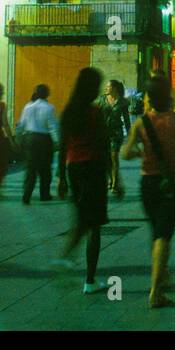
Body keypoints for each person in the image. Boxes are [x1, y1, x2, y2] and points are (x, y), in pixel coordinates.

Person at [120, 75, 175, 308]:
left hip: (147, 184)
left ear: (149, 98)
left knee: (156, 232)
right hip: (170, 182)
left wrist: (140, 154)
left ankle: (162, 273)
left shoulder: (141, 122)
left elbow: (125, 153)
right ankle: (155, 291)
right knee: (164, 235)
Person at [56, 68, 110, 294]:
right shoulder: (95, 112)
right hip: (93, 170)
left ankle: (67, 257)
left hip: (73, 169)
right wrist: (111, 175)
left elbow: (62, 145)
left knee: (81, 217)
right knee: (94, 226)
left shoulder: (68, 111)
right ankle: (89, 279)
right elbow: (103, 144)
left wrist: (61, 177)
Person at [17, 83, 59, 203]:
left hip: (29, 138)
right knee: (45, 168)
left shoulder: (28, 107)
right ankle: (44, 194)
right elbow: (52, 126)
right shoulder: (49, 108)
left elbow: (21, 124)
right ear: (47, 94)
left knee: (30, 168)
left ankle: (26, 195)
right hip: (44, 140)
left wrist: (18, 139)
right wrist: (57, 141)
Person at [101, 79, 131, 196]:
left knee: (114, 157)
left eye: (108, 86)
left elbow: (127, 120)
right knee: (106, 159)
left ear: (114, 88)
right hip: (104, 133)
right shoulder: (102, 100)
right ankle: (110, 179)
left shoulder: (122, 102)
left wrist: (130, 136)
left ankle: (114, 183)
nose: (106, 88)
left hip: (116, 133)